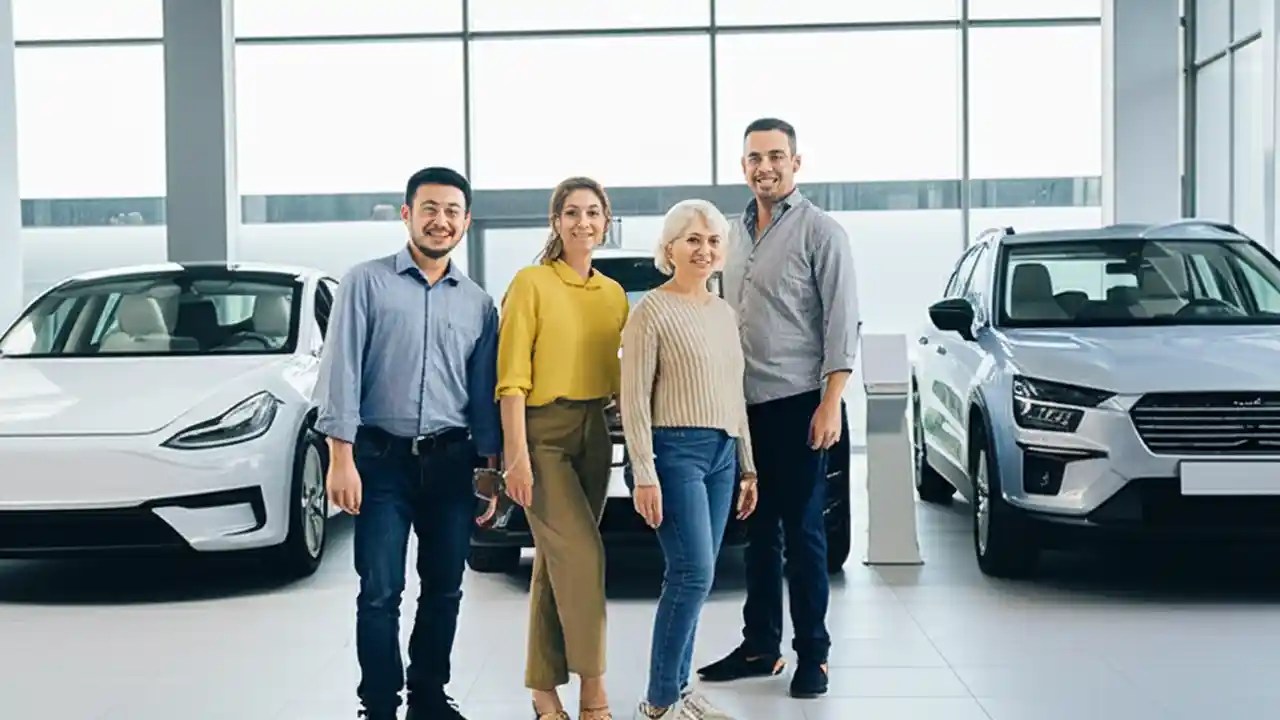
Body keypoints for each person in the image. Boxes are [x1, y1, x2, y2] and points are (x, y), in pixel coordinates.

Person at [313, 166, 502, 720]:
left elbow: (482, 392)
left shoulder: (477, 303)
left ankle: (427, 697)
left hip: (451, 461)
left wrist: (489, 468)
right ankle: (377, 705)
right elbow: (340, 369)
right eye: (429, 209)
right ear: (407, 214)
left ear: (465, 221)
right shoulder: (365, 282)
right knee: (380, 589)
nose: (440, 221)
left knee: (444, 587)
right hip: (380, 459)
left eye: (452, 212)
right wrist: (340, 458)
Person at [696, 118, 860, 699]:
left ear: (796, 162)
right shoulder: (730, 234)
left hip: (800, 405)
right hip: (741, 408)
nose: (764, 167)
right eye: (753, 158)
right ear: (743, 166)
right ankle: (760, 646)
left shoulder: (822, 232)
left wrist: (831, 401)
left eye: (775, 156)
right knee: (756, 533)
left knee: (803, 532)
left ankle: (812, 655)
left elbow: (841, 324)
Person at [620, 199, 759, 720]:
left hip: (723, 453)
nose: (703, 250)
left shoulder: (724, 314)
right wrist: (645, 473)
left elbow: (733, 392)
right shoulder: (650, 312)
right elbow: (632, 400)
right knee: (691, 573)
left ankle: (679, 690)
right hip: (673, 450)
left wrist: (748, 464)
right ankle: (657, 704)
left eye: (712, 241)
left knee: (698, 575)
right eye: (692, 240)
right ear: (669, 248)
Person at [496, 176, 629, 720]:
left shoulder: (613, 294)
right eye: (571, 212)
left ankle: (542, 692)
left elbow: (620, 376)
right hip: (540, 432)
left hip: (595, 432)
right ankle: (594, 695)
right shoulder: (530, 283)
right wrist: (516, 456)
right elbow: (510, 378)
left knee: (557, 563)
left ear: (605, 222)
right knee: (584, 554)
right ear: (555, 222)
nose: (582, 222)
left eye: (593, 213)